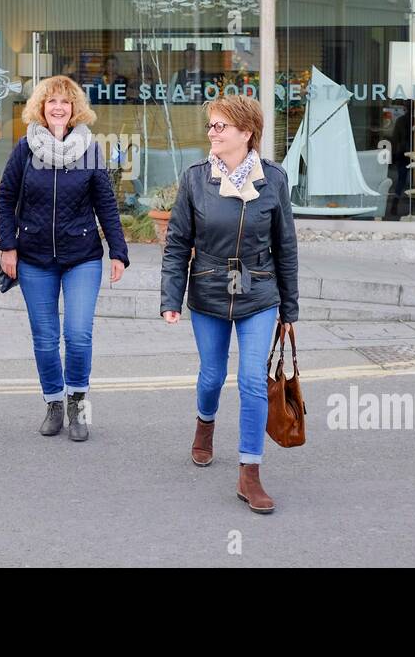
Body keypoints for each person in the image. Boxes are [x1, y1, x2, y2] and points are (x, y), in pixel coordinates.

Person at [159, 94, 300, 514]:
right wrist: (171, 297)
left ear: (246, 132)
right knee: (212, 376)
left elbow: (286, 246)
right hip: (209, 288)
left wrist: (289, 310)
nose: (212, 133)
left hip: (258, 290)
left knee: (253, 382)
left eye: (220, 126)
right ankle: (205, 425)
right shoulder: (195, 178)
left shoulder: (273, 179)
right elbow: (177, 244)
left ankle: (250, 472)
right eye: (211, 126)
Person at [0, 75, 129, 441]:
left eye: (65, 102)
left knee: (78, 335)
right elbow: (6, 199)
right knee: (45, 338)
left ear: (74, 110)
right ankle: (54, 402)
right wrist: (8, 246)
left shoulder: (89, 150)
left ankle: (78, 405)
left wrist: (119, 252)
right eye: (51, 101)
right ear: (41, 107)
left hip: (81, 256)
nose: (58, 107)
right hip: (34, 257)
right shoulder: (24, 149)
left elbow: (106, 204)